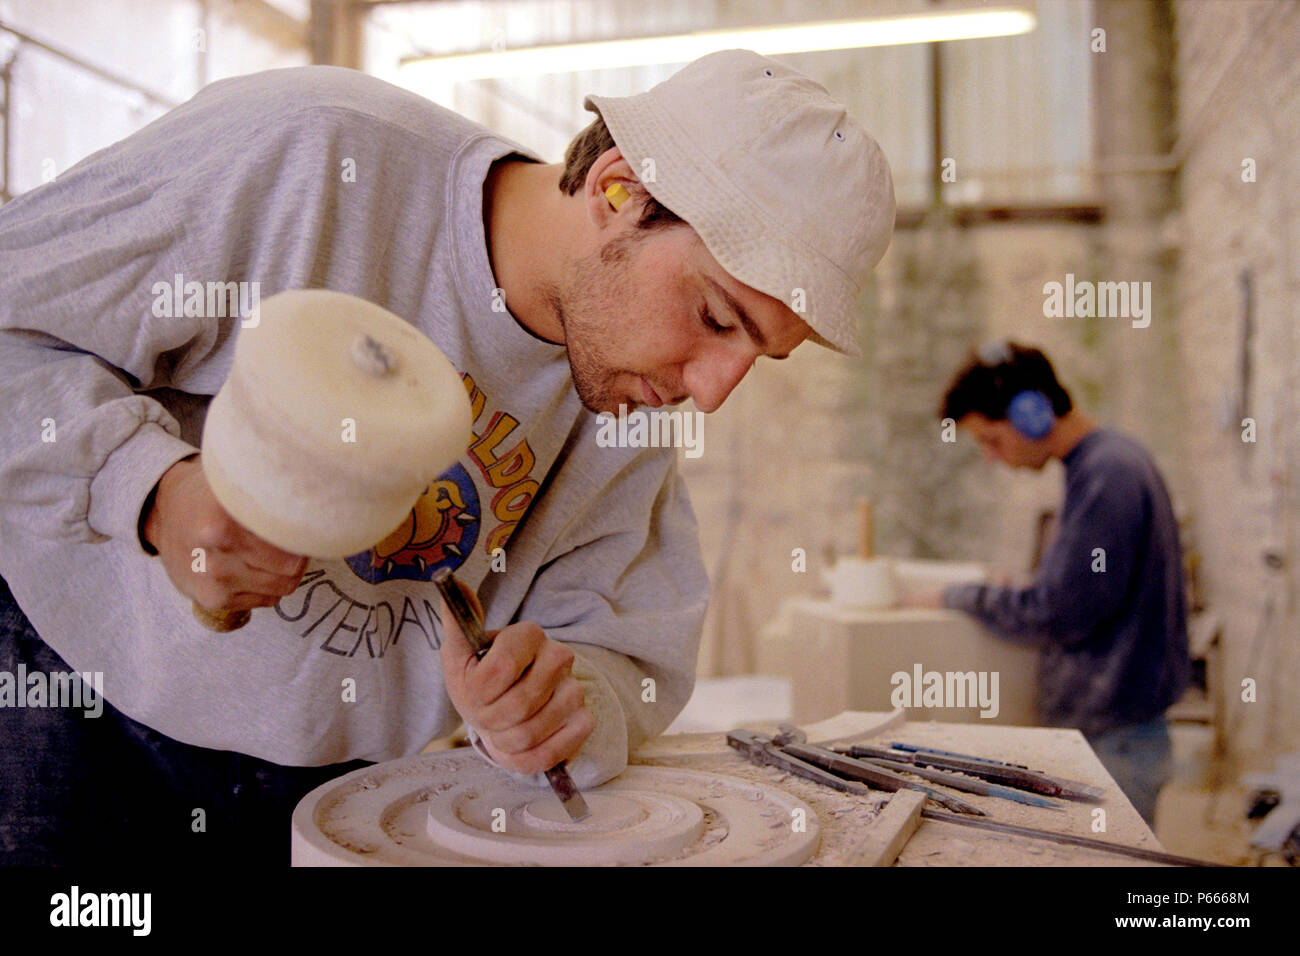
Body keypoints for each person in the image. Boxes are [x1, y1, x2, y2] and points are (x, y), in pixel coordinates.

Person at [0, 50, 895, 864]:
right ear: (620, 189)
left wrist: (554, 703)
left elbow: (621, 649)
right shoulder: (310, 154)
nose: (712, 391)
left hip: (335, 786)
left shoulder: (629, 402)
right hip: (78, 715)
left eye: (759, 358)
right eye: (714, 317)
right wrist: (149, 491)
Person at [901, 341, 1190, 825]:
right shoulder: (1106, 465)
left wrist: (958, 596)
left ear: (1032, 414)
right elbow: (1086, 589)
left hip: (1115, 736)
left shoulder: (1107, 475)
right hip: (1122, 729)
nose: (992, 457)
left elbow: (1058, 611)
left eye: (991, 440)